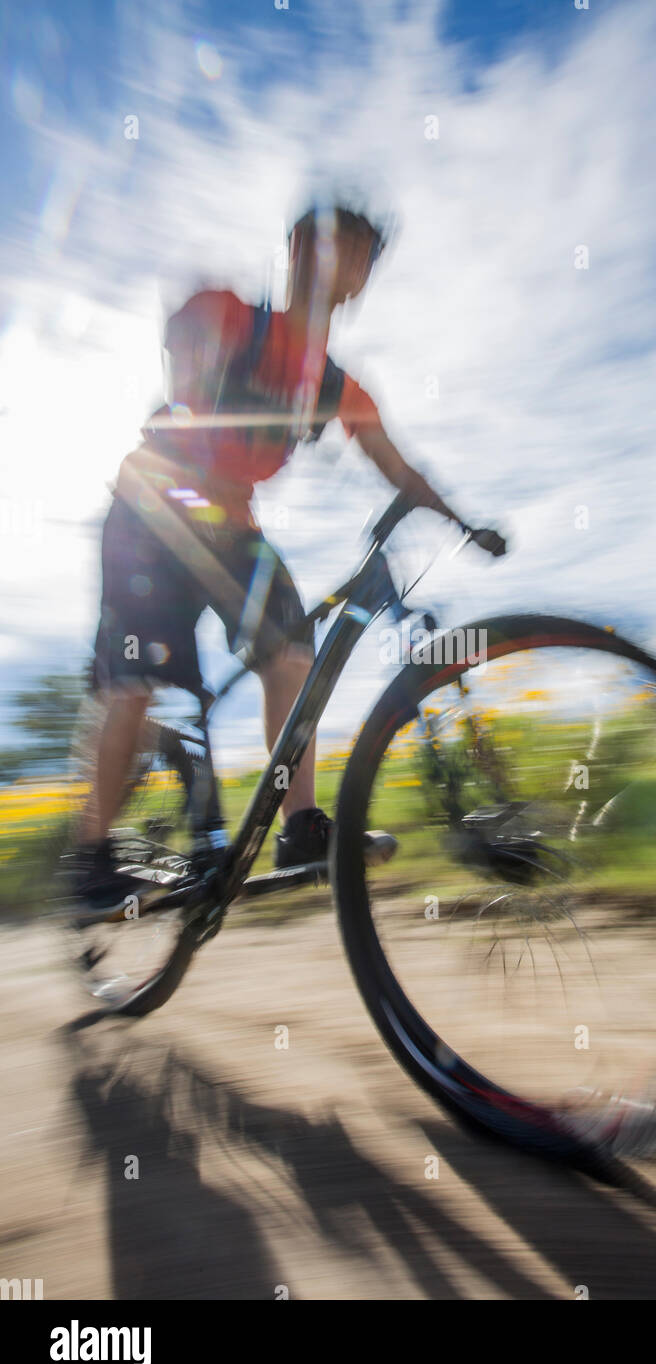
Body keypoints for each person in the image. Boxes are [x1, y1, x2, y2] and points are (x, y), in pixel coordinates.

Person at [71, 198, 483, 913]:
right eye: (327, 246)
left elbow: (397, 465)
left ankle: (300, 828)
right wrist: (196, 355)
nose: (341, 264)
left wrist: (463, 523)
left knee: (293, 653)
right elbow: (184, 344)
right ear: (293, 250)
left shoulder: (335, 385)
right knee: (135, 681)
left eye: (358, 255)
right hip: (149, 513)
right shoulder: (229, 315)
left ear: (362, 280)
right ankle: (91, 861)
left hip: (232, 529)